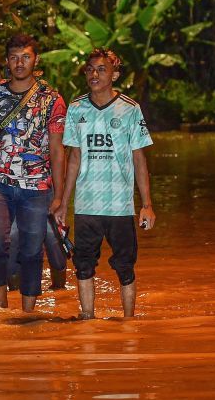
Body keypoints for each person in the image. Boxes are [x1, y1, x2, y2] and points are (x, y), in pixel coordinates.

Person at [0, 33, 66, 312]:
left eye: (26, 57)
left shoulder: (52, 99)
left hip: (37, 185)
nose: (20, 63)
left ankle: (28, 314)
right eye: (15, 57)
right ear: (7, 61)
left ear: (36, 60)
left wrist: (61, 195)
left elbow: (57, 149)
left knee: (32, 250)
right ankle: (2, 310)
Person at [54, 48, 155, 319]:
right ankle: (87, 320)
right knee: (83, 265)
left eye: (101, 69)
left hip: (120, 206)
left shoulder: (130, 109)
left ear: (115, 74)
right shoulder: (76, 109)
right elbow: (73, 158)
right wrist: (63, 203)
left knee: (125, 266)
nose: (94, 74)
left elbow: (139, 159)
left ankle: (129, 323)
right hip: (87, 205)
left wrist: (146, 205)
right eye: (90, 69)